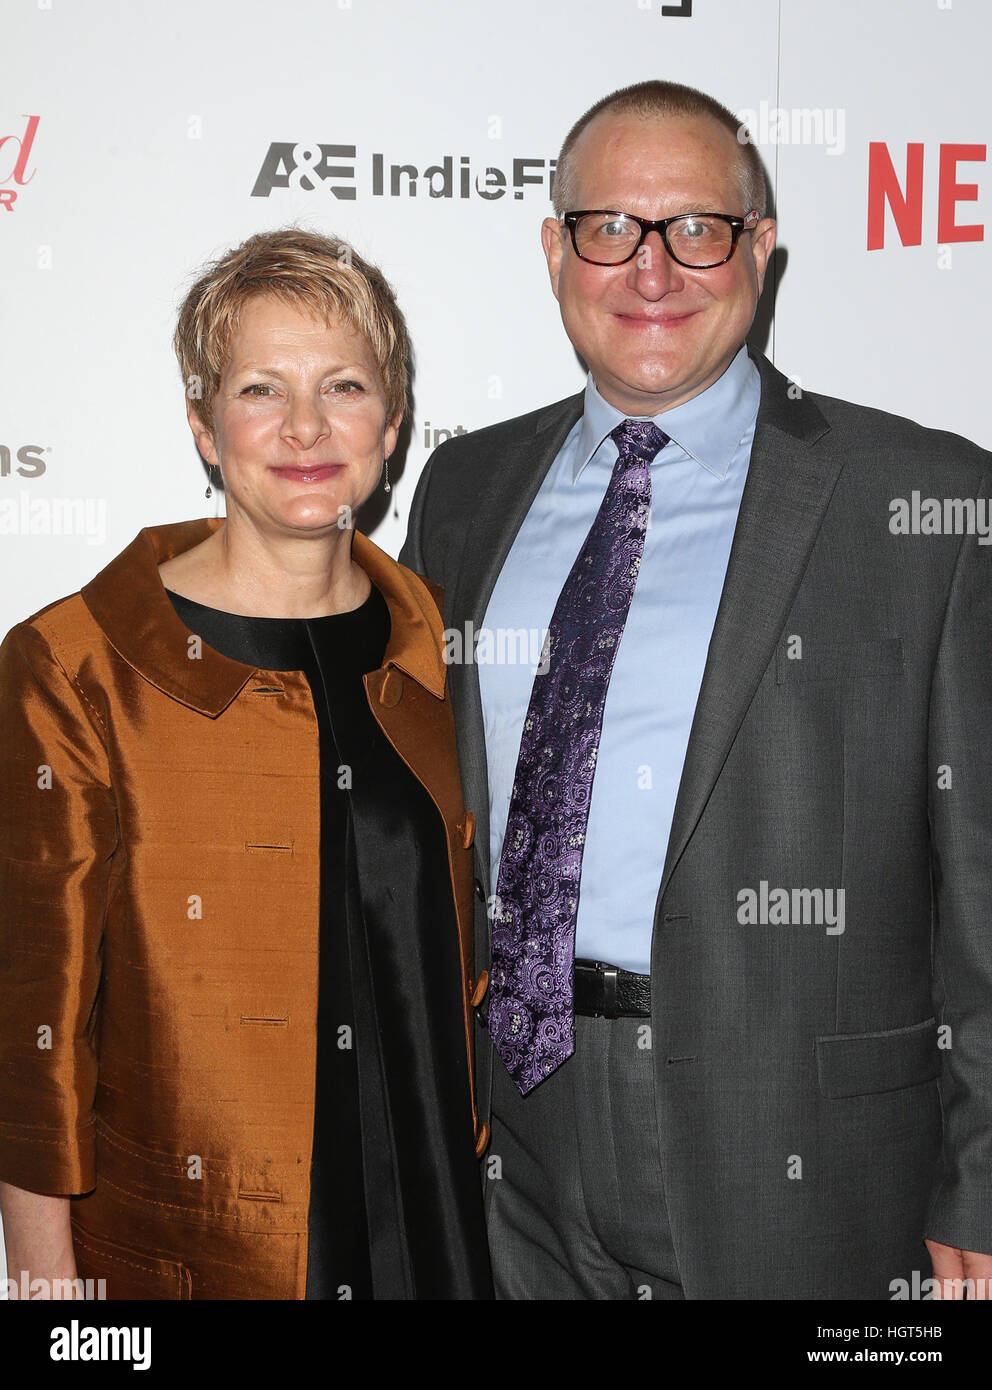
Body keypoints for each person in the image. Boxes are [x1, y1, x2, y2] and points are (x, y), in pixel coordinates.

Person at [400, 80, 992, 1300]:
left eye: (696, 228)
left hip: (805, 1158)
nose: (651, 269)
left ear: (759, 251)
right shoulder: (462, 492)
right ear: (555, 248)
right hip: (511, 1125)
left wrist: (980, 1183)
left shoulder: (926, 504)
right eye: (610, 225)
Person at [0, 227, 492, 1300]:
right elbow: (35, 1032)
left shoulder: (443, 652)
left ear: (392, 420)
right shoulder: (77, 665)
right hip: (196, 1257)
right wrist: (47, 1293)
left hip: (433, 1231)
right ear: (203, 426)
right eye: (261, 388)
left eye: (344, 386)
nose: (307, 427)